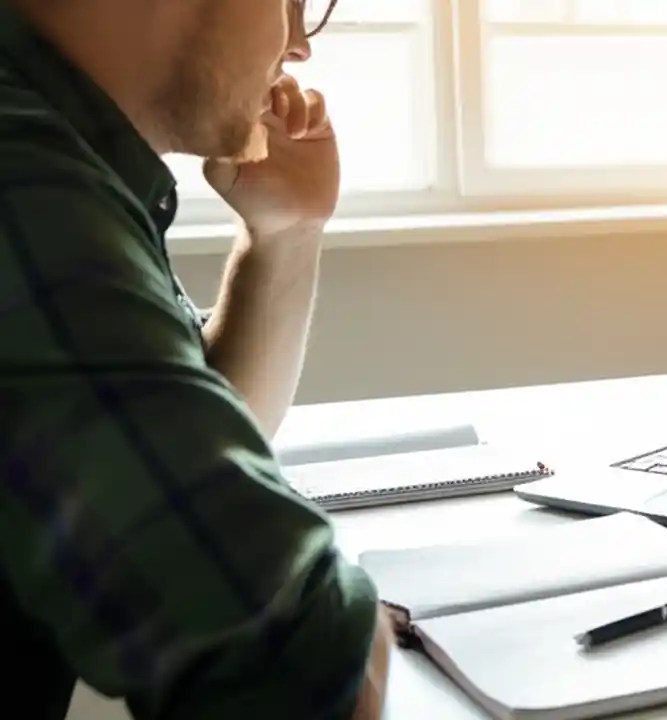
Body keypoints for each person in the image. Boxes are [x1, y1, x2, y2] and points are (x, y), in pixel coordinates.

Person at [0, 1, 397, 718]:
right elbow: (298, 657)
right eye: (290, 3)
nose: (299, 45)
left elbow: (177, 461)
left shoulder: (63, 150)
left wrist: (287, 230)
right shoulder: (21, 179)